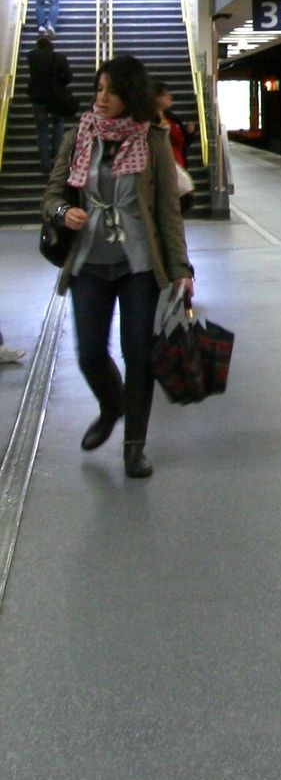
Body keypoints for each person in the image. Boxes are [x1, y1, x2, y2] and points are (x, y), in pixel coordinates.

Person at [40, 54, 193, 480]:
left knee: (139, 355)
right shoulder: (79, 136)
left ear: (131, 94)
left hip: (139, 265)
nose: (101, 97)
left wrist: (181, 269)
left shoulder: (154, 141)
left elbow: (167, 211)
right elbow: (52, 193)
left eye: (111, 90)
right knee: (89, 353)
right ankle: (112, 406)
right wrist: (59, 213)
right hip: (90, 263)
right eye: (99, 88)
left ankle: (134, 447)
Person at [26, 27, 73, 179]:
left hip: (38, 99)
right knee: (58, 125)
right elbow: (68, 78)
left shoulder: (31, 57)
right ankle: (57, 157)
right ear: (51, 47)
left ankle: (45, 165)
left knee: (42, 131)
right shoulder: (59, 58)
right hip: (56, 98)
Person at [153, 79, 195, 211]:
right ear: (155, 98)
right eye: (165, 94)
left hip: (178, 164)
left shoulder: (171, 118)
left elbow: (182, 143)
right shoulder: (150, 122)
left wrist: (189, 134)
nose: (170, 97)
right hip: (166, 168)